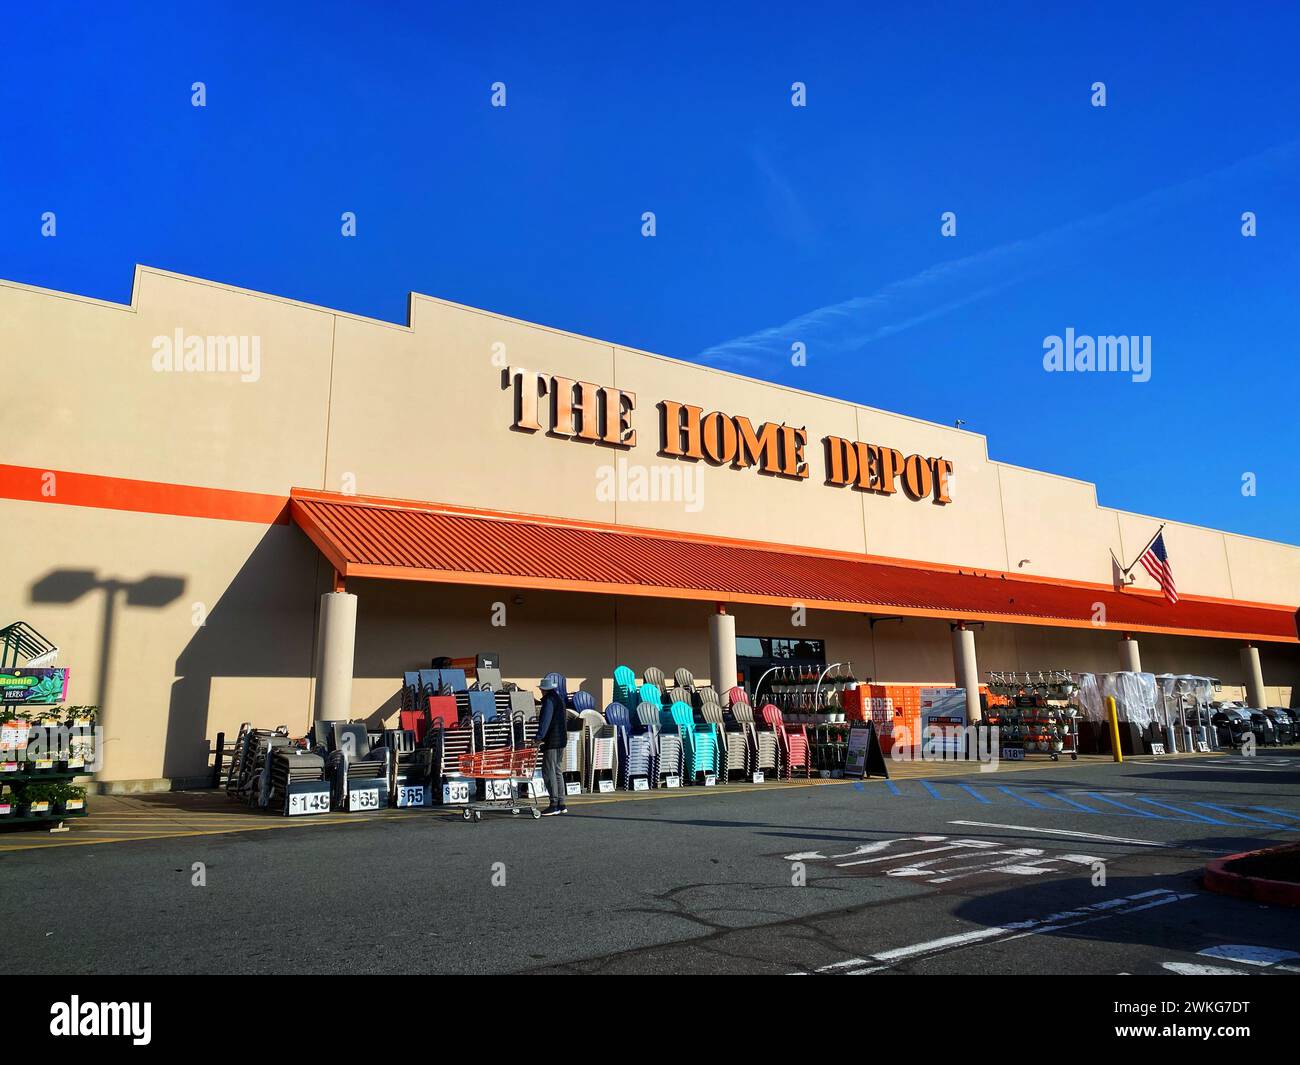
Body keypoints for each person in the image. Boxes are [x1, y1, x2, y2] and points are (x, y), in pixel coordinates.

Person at [535, 676, 570, 815]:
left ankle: (554, 803)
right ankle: (561, 803)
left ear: (544, 690)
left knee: (548, 771)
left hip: (552, 741)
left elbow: (545, 721)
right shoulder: (559, 700)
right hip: (561, 740)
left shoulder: (549, 701)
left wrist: (539, 738)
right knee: (557, 770)